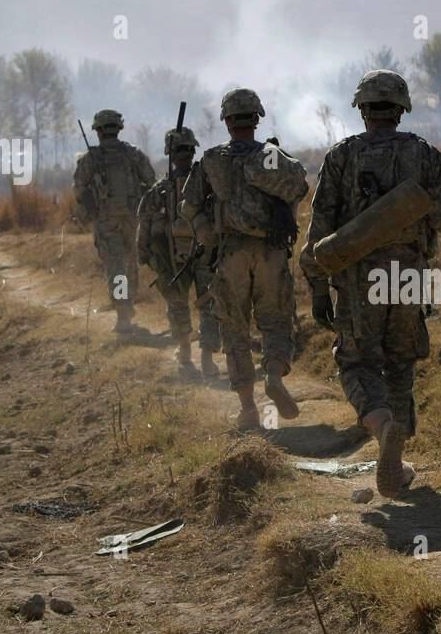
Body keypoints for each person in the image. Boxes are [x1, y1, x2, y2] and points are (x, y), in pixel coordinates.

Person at [301, 70, 441, 499]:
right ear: (401, 108)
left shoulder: (340, 157)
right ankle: (398, 461)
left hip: (357, 279)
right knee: (401, 360)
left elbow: (320, 234)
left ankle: (381, 424)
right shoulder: (426, 155)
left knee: (356, 362)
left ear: (363, 109)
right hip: (408, 276)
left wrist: (317, 286)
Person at [182, 89, 308, 429]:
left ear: (226, 121)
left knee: (234, 327)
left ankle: (248, 409)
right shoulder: (272, 156)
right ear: (257, 118)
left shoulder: (211, 160)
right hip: (270, 251)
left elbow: (189, 205)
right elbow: (300, 187)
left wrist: (203, 229)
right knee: (276, 320)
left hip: (231, 253)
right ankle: (273, 374)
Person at [137, 126, 221, 377]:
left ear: (169, 154)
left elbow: (144, 225)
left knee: (177, 303)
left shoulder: (157, 190)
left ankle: (185, 351)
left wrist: (144, 254)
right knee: (209, 304)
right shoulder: (210, 185)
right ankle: (207, 358)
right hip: (206, 255)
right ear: (193, 151)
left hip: (172, 259)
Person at [73, 109, 156, 336]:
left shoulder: (91, 159)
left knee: (116, 267)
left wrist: (88, 206)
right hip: (132, 218)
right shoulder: (133, 154)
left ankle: (123, 314)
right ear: (118, 129)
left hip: (106, 221)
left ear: (98, 131)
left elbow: (79, 189)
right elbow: (152, 182)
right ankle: (126, 310)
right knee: (130, 265)